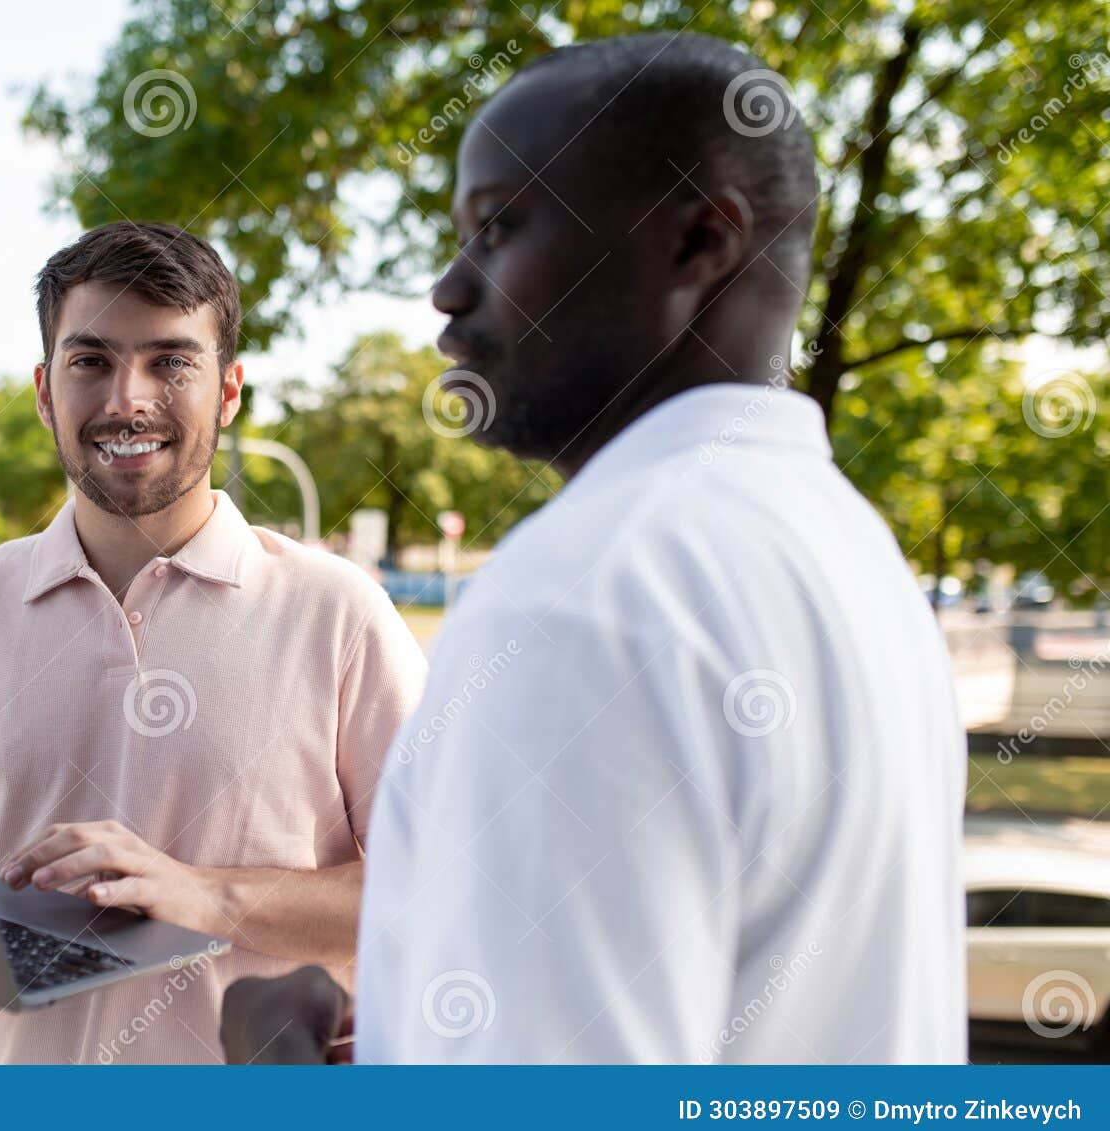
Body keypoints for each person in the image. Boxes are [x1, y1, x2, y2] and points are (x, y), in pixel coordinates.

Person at [221, 33, 965, 1064]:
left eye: (497, 227)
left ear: (699, 241)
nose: (446, 288)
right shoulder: (850, 554)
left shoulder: (583, 596)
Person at [0, 220, 427, 1063]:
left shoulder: (340, 612)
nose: (126, 400)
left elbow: (440, 888)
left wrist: (203, 894)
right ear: (46, 390)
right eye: (92, 361)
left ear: (228, 392)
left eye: (171, 361)